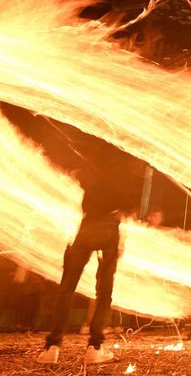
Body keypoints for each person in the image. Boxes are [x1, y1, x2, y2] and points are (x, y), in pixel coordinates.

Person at [37, 135, 141, 365]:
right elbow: (130, 205)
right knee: (103, 293)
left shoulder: (92, 162)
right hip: (108, 230)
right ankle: (95, 347)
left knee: (66, 289)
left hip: (86, 227)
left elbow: (81, 181)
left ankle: (52, 347)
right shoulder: (125, 167)